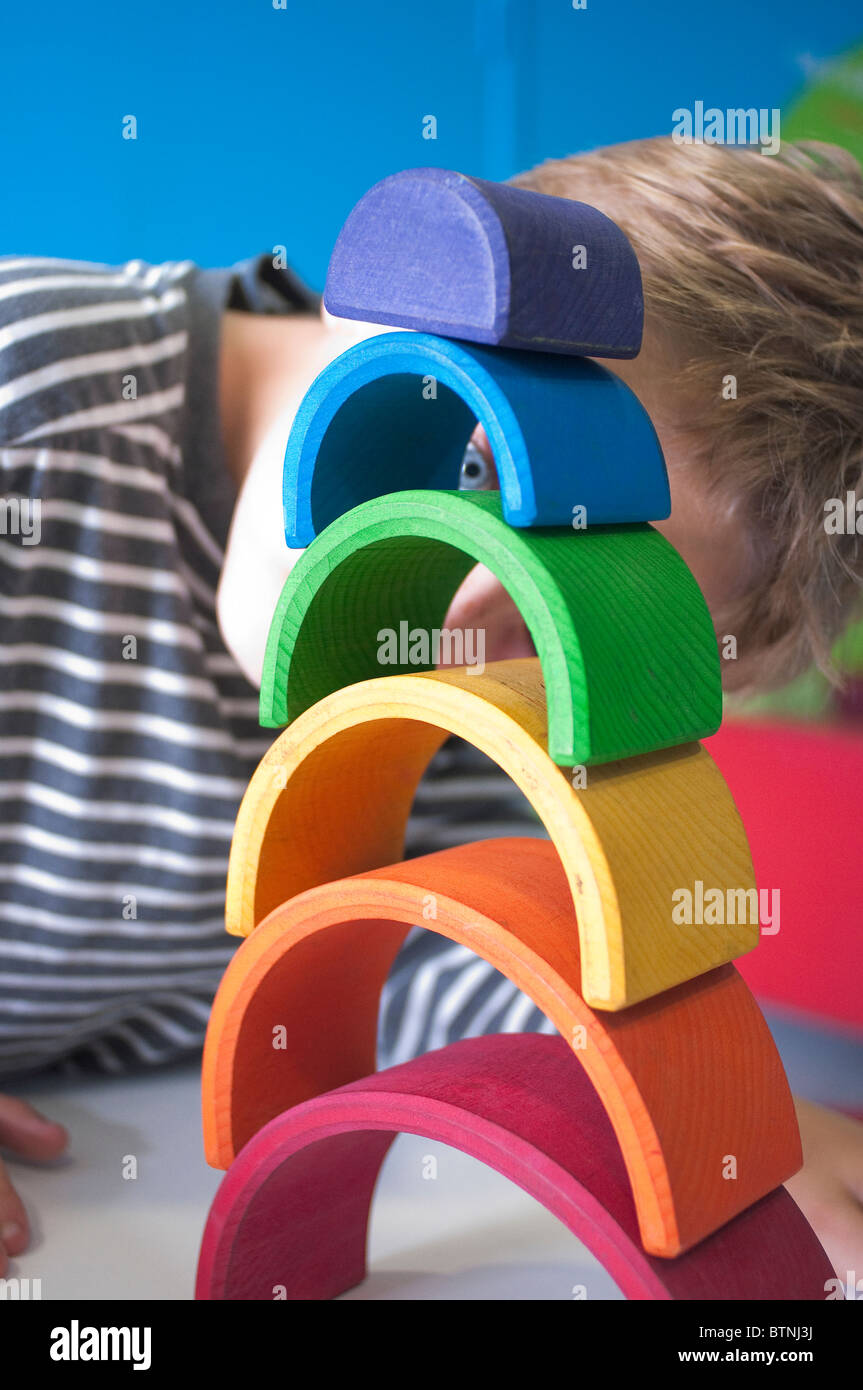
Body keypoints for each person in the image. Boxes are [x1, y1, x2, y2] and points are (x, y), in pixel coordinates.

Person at [1, 136, 861, 1282]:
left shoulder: (485, 705)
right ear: (399, 313)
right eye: (475, 474)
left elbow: (421, 951)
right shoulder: (33, 400)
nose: (462, 617)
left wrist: (704, 1104)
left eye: (596, 620)